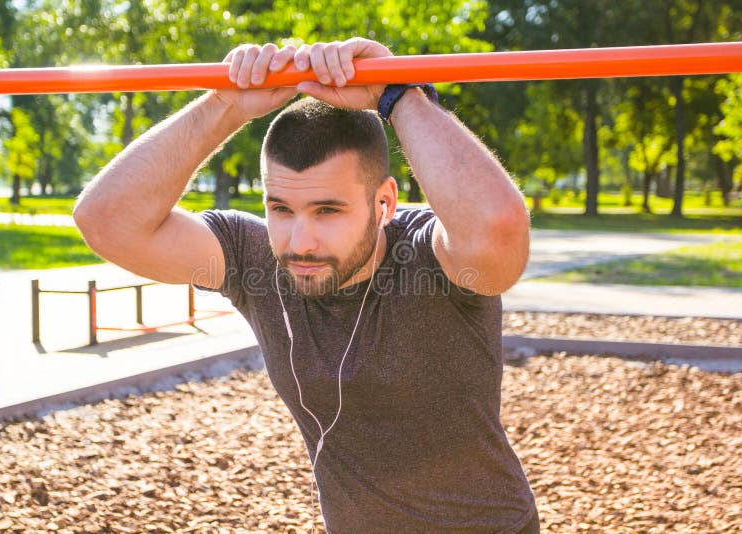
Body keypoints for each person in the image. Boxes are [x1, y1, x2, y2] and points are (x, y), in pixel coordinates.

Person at [74, 37, 537, 533]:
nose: (300, 241)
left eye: (328, 210)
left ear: (384, 203)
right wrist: (226, 104)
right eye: (281, 209)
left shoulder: (432, 255)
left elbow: (499, 230)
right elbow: (106, 221)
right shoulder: (257, 260)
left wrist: (400, 96)